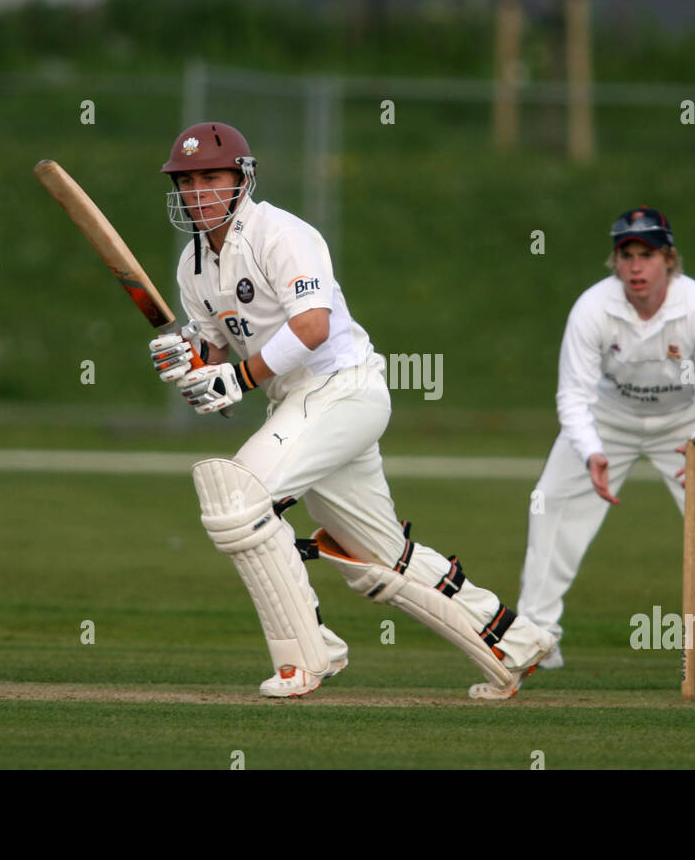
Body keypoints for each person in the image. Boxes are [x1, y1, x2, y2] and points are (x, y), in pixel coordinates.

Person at [148, 122, 555, 699]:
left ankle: (309, 655)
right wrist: (194, 361)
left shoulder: (280, 234)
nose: (199, 191)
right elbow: (218, 347)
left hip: (342, 388)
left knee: (237, 497)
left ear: (242, 179)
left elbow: (311, 327)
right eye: (186, 181)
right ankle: (514, 640)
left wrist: (236, 379)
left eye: (211, 177)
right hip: (298, 402)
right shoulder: (194, 267)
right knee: (376, 556)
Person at [516, 206, 695, 673]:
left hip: (686, 424)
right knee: (548, 503)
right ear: (615, 261)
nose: (635, 267)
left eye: (646, 255)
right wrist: (591, 451)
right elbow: (573, 394)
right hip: (609, 420)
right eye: (626, 255)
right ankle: (537, 637)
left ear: (668, 259)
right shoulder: (594, 307)